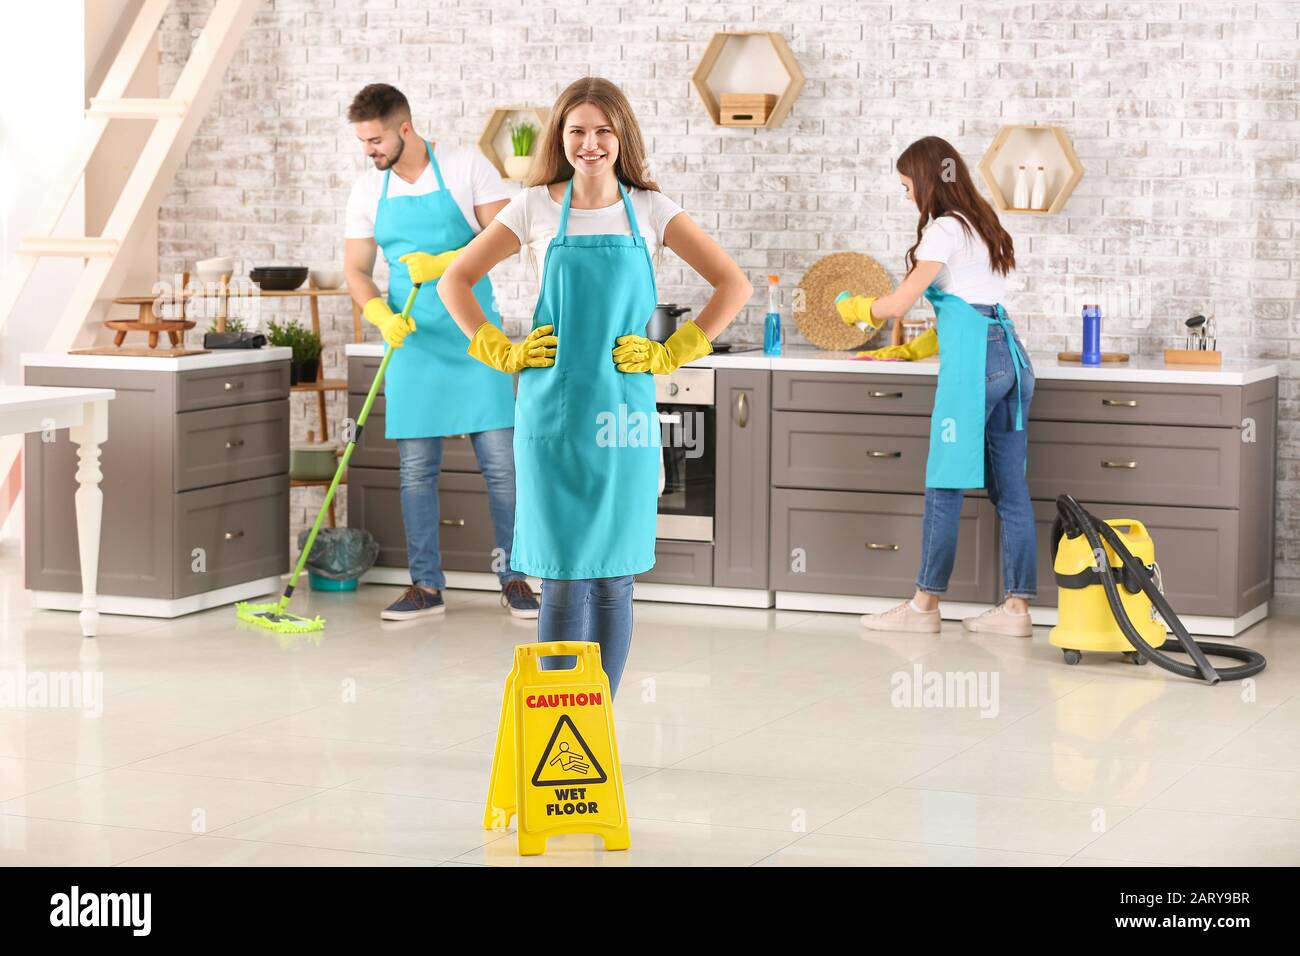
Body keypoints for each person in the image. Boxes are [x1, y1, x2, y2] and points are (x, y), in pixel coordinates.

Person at [438, 77, 750, 694]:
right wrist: (501, 348)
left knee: (612, 576)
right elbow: (455, 280)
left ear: (621, 137)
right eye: (576, 130)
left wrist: (673, 353)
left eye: (602, 130)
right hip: (551, 415)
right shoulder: (533, 207)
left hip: (624, 416)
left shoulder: (653, 210)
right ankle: (562, 718)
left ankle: (596, 721)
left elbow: (732, 285)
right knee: (562, 574)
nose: (589, 143)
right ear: (560, 136)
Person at [343, 83, 539, 621]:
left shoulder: (463, 166)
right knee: (416, 472)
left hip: (475, 336)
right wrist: (378, 313)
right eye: (363, 141)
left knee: (502, 466)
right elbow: (357, 271)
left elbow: (510, 235)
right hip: (413, 343)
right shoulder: (367, 190)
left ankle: (516, 578)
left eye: (376, 139)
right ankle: (425, 587)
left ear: (404, 128)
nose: (370, 150)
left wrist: (446, 263)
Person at [838, 136, 1036, 637]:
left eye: (908, 186)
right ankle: (1017, 610)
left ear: (926, 181)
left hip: (975, 369)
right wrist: (910, 350)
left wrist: (854, 307)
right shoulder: (980, 223)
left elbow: (898, 305)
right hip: (1011, 360)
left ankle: (924, 606)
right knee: (1011, 492)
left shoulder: (943, 230)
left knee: (943, 485)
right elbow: (974, 312)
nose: (907, 196)